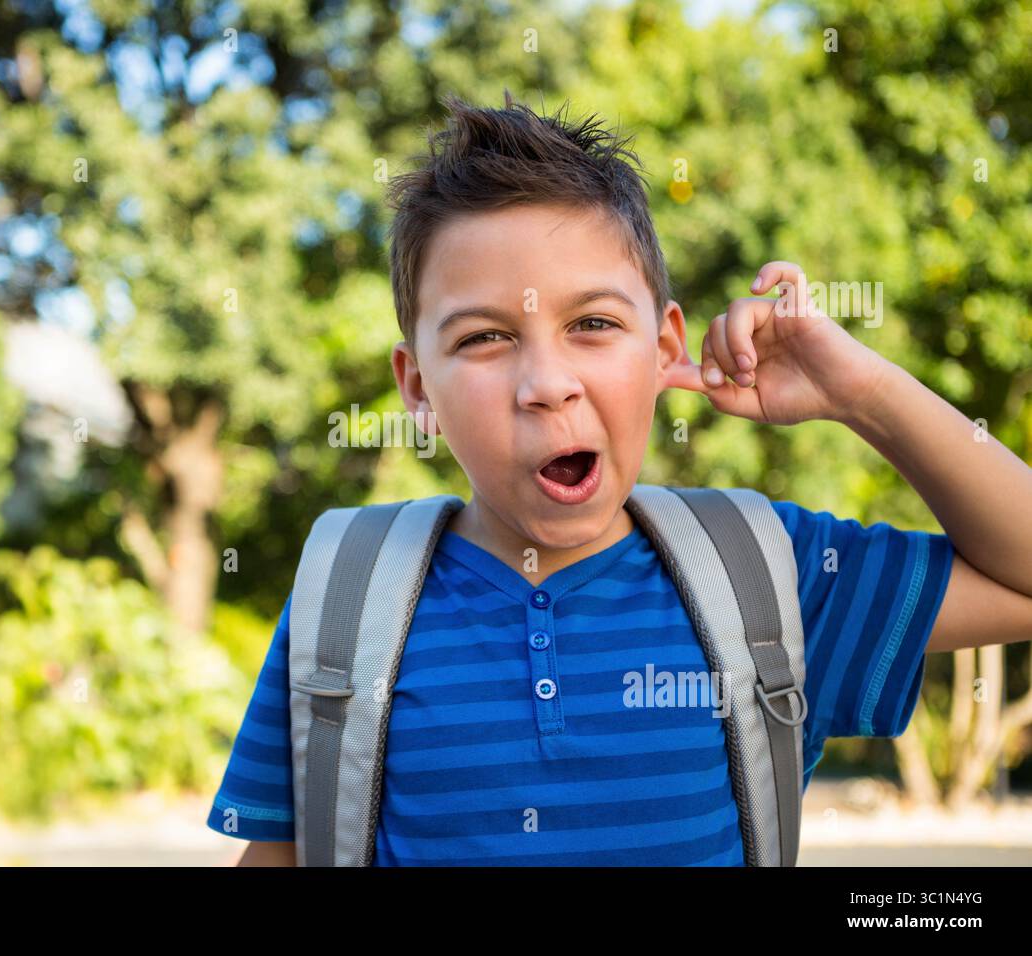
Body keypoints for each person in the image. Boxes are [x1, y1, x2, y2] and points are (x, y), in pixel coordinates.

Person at [205, 92, 1032, 866]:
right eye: (485, 339)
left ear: (665, 348)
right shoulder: (350, 598)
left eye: (593, 324)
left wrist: (862, 392)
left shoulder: (769, 573)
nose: (547, 383)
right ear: (416, 386)